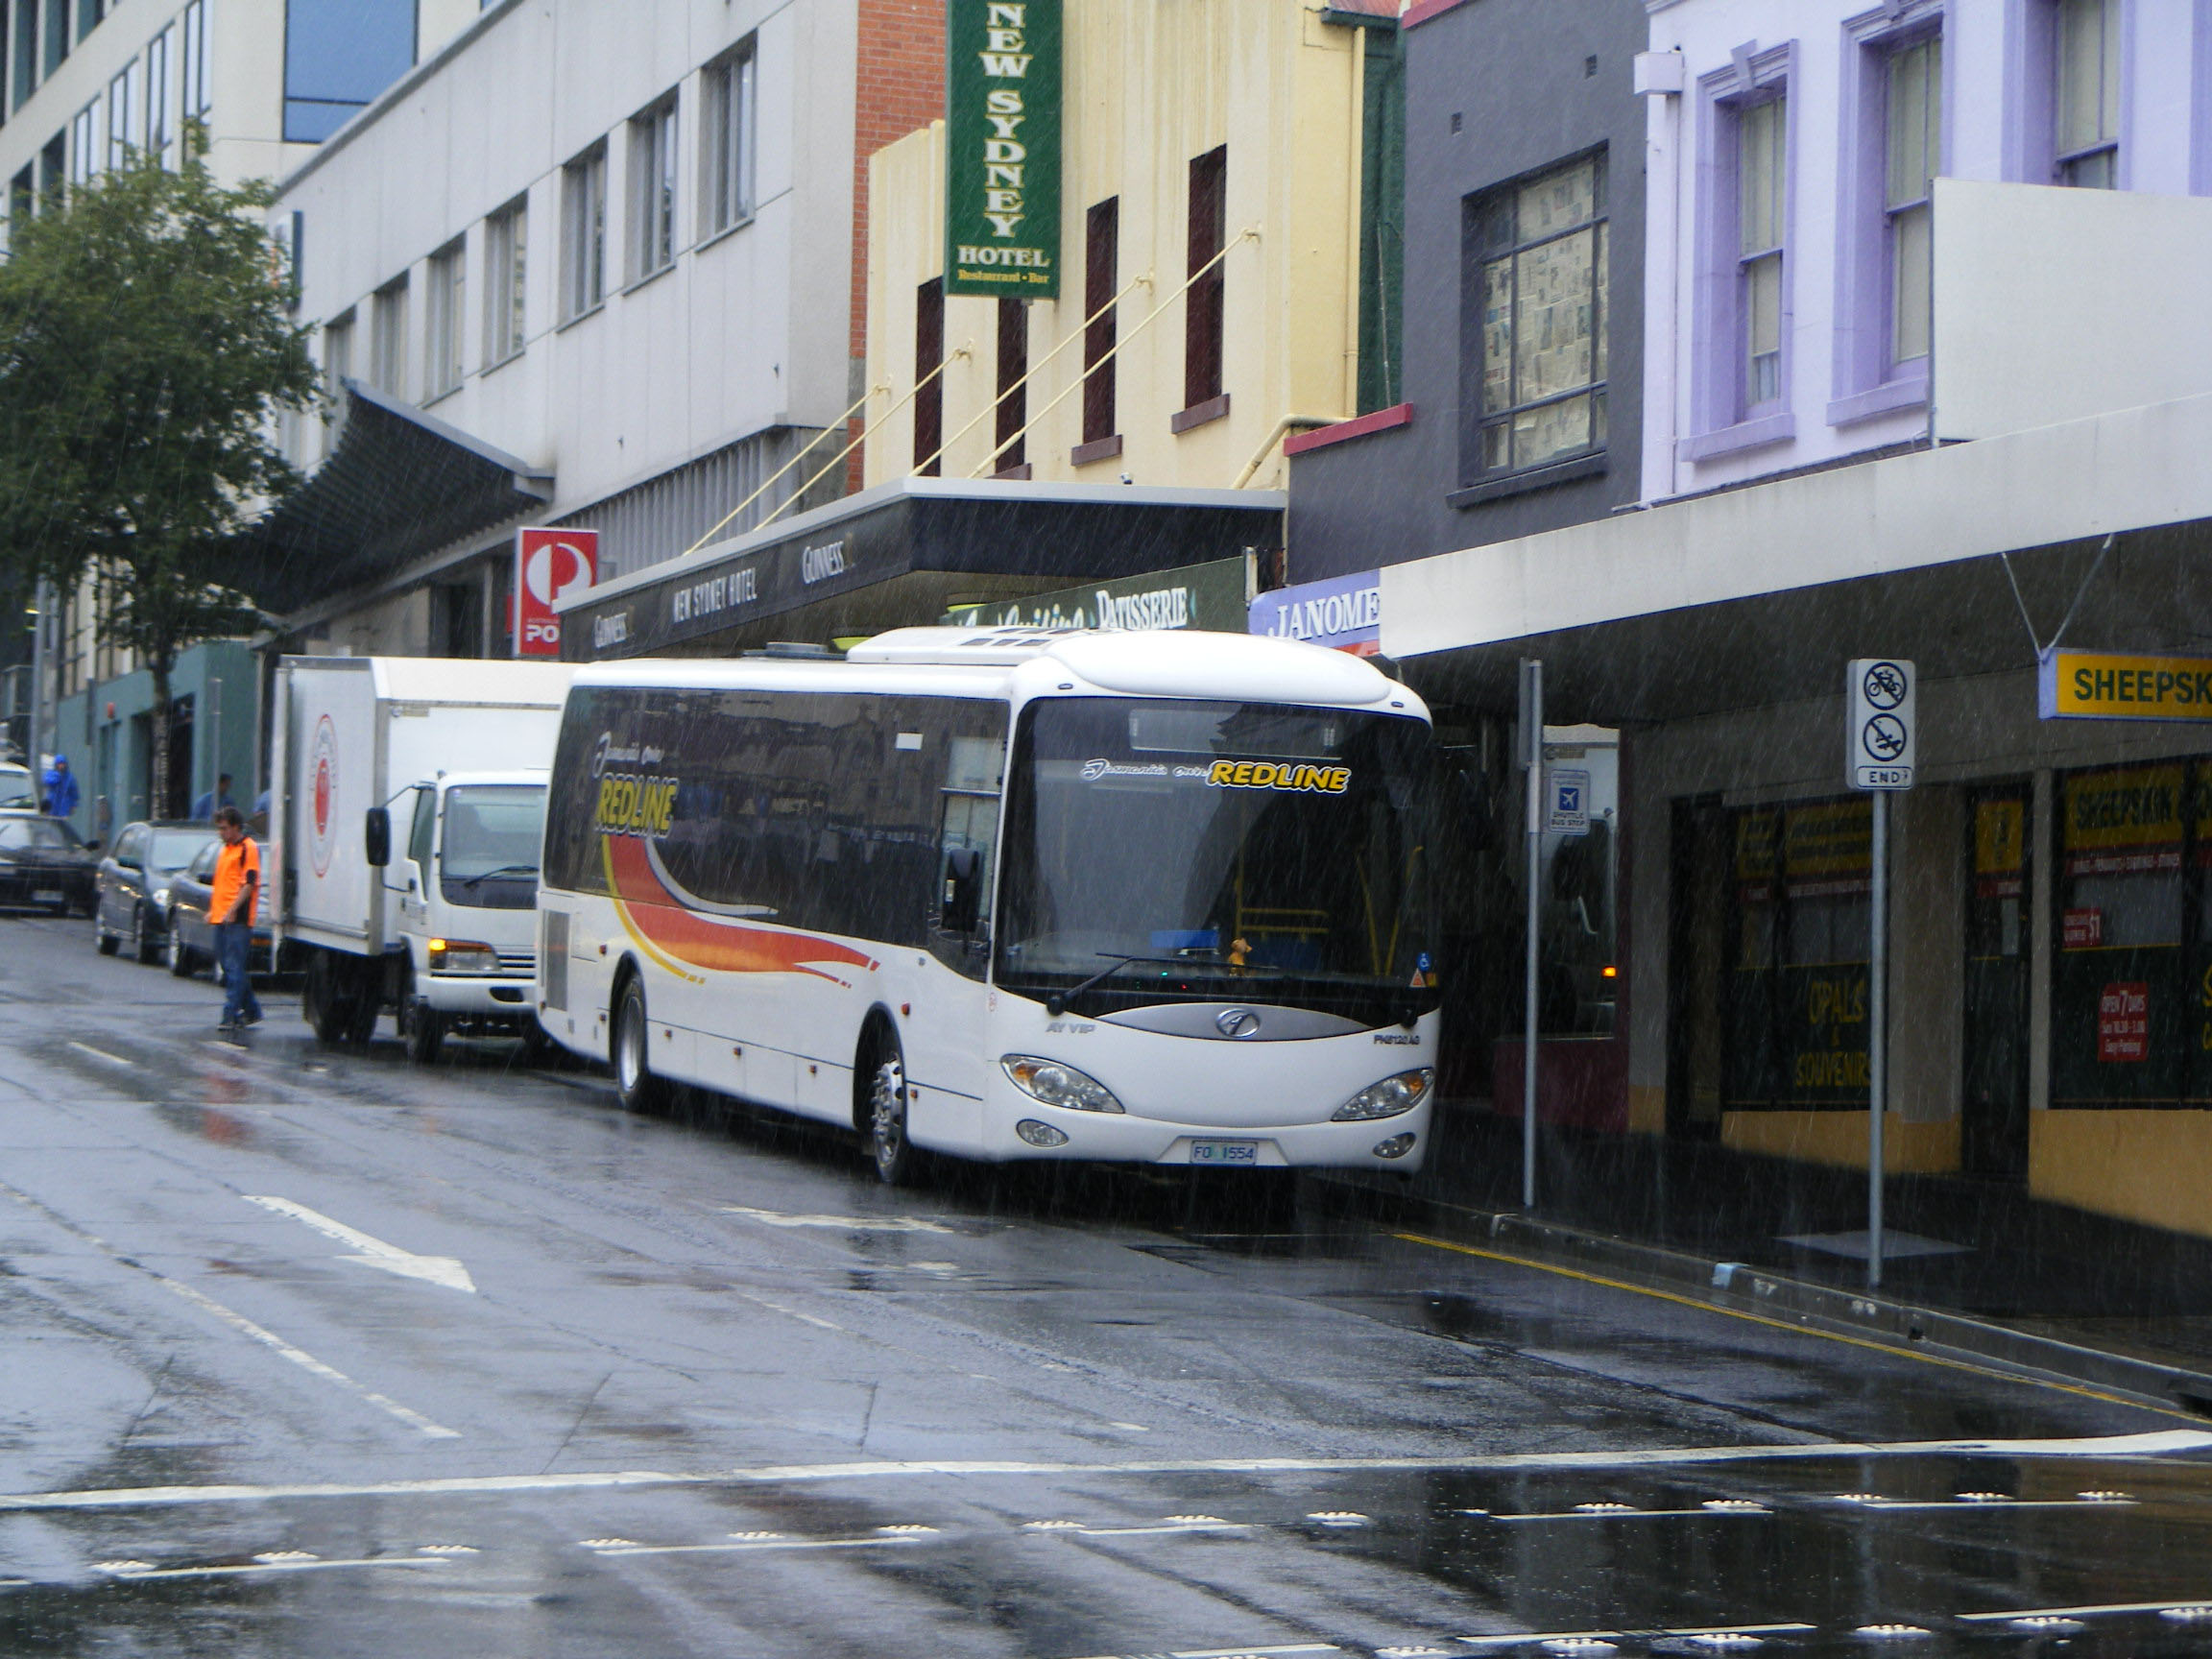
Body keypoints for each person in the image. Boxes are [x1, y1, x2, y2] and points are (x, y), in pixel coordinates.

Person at [208, 805, 264, 1038]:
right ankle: (251, 1009)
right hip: (220, 917)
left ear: (235, 827)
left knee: (233, 967)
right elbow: (222, 883)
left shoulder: (247, 848)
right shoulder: (226, 850)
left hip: (237, 919)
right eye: (219, 829)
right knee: (230, 966)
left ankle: (230, 1014)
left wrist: (234, 909)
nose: (221, 833)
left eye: (224, 829)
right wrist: (213, 911)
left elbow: (248, 883)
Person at [41, 754, 78, 820]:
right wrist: (57, 776)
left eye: (63, 764)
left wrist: (73, 805)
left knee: (61, 824)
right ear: (56, 764)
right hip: (52, 806)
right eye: (59, 764)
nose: (61, 766)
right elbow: (47, 782)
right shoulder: (51, 774)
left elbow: (74, 792)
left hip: (64, 808)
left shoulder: (69, 777)